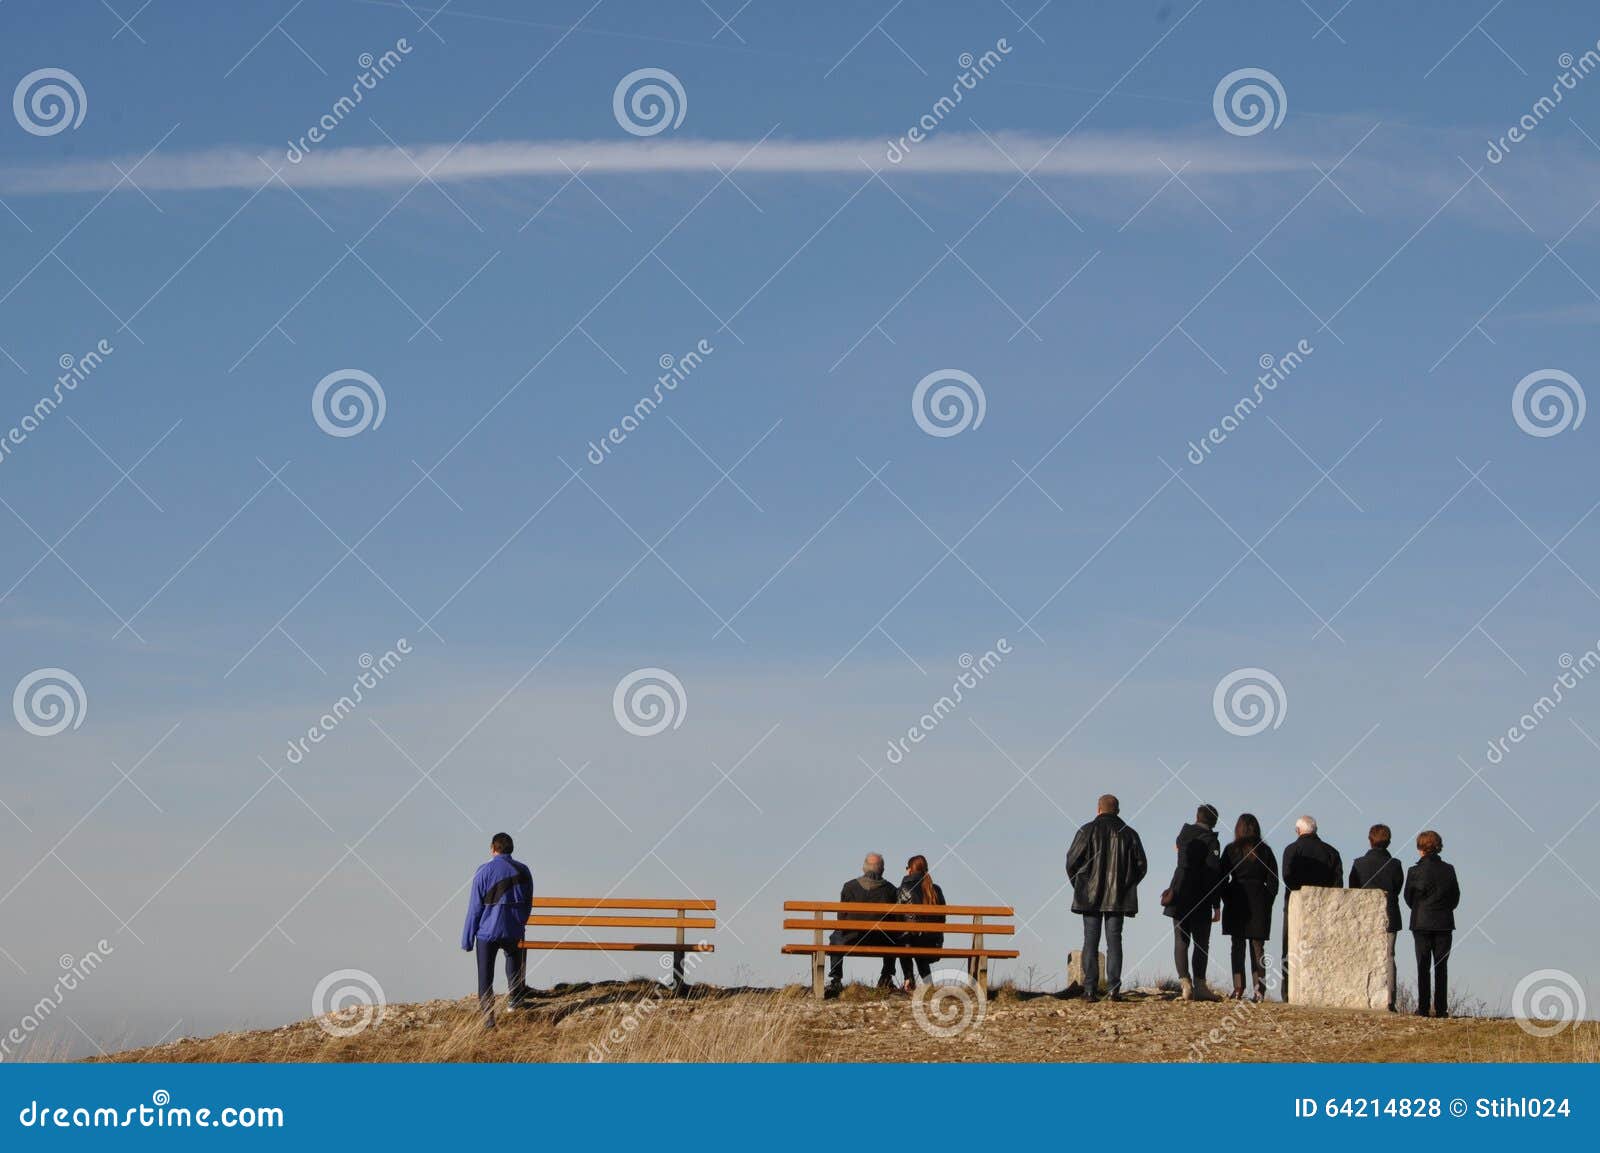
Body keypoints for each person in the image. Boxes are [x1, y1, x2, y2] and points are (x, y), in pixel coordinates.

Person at [1066, 794, 1147, 1002]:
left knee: (1090, 941)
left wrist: (1080, 885)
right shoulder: (1130, 834)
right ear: (1117, 811)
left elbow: (1071, 860)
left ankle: (1090, 989)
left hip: (1089, 896)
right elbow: (1141, 866)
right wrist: (1126, 885)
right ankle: (1113, 989)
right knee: (1115, 941)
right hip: (1118, 897)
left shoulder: (1087, 830)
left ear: (1098, 809)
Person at [461, 832, 534, 1028]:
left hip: (487, 933)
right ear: (511, 849)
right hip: (513, 930)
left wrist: (467, 939)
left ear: (493, 849)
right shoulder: (524, 871)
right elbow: (528, 903)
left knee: (485, 976)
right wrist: (520, 923)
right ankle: (515, 1000)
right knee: (513, 960)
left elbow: (475, 908)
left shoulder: (483, 871)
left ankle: (489, 1019)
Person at [1162, 803, 1222, 1001]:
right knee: (1201, 942)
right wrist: (1216, 904)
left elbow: (1177, 846)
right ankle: (1200, 986)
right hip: (1201, 894)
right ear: (1214, 821)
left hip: (1178, 891)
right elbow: (1214, 874)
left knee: (1181, 940)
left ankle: (1185, 984)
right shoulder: (1212, 841)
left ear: (1197, 817)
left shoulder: (1183, 834)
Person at [1279, 814, 1342, 1000]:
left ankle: (1289, 993)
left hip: (1295, 905)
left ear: (1298, 831)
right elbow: (1338, 884)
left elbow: (1287, 877)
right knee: (1323, 948)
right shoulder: (1332, 852)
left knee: (1290, 949)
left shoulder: (1292, 850)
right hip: (1325, 907)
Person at [1220, 813, 1278, 1001]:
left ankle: (1238, 988)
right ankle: (1259, 990)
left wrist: (1227, 896)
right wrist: (1266, 901)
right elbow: (1273, 882)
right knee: (1258, 948)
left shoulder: (1231, 850)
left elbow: (1221, 878)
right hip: (1259, 902)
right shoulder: (1266, 851)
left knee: (1237, 946)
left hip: (1236, 900)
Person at [825, 852, 901, 994]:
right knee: (894, 938)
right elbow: (895, 921)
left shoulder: (849, 887)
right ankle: (886, 977)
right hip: (881, 939)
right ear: (882, 869)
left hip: (853, 938)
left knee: (835, 937)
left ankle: (836, 979)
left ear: (863, 869)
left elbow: (841, 919)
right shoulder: (891, 890)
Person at [1404, 829, 1460, 1018]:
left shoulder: (1414, 871)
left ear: (1420, 848)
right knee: (1441, 967)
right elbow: (1455, 898)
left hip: (1420, 922)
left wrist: (1420, 910)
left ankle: (1423, 1008)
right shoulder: (1449, 869)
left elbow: (1408, 898)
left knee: (1423, 966)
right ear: (1438, 847)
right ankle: (1441, 1009)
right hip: (1444, 922)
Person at [1349, 822, 1404, 1012]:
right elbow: (1397, 889)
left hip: (1365, 917)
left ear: (1370, 840)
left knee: (1363, 955)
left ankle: (1363, 995)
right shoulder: (1395, 865)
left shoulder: (1359, 863)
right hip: (1390, 914)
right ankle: (1389, 1000)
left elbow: (1353, 890)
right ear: (1388, 841)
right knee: (1389, 956)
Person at [896, 854, 946, 991]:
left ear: (910, 870)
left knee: (904, 938)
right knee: (919, 939)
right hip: (933, 941)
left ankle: (908, 979)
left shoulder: (903, 889)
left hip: (909, 941)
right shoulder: (935, 889)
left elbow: (897, 919)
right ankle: (928, 984)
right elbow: (942, 918)